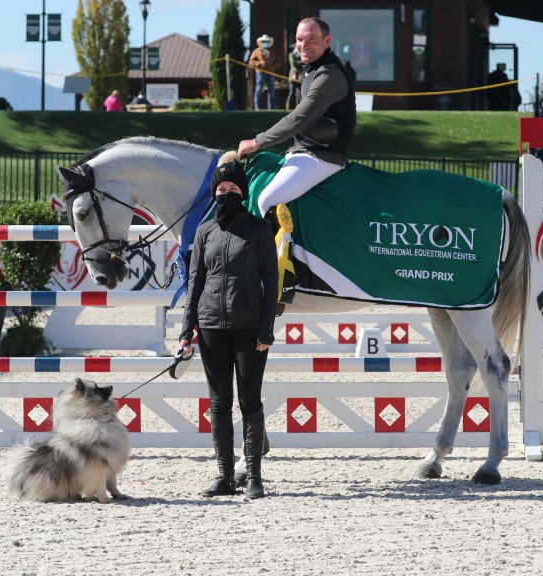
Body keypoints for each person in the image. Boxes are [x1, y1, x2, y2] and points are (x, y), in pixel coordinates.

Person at [178, 155, 278, 500]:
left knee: (250, 401)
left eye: (233, 188)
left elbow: (271, 282)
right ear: (214, 193)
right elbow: (195, 283)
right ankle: (223, 475)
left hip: (249, 328)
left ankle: (253, 476)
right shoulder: (204, 232)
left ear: (243, 192)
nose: (226, 193)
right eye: (221, 189)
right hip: (210, 327)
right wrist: (185, 330)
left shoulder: (259, 229)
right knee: (219, 404)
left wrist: (267, 329)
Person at [237, 17, 356, 302]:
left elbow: (299, 118)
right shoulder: (309, 70)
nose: (304, 45)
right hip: (303, 151)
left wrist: (257, 141)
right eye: (300, 40)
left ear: (327, 41)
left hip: (323, 157)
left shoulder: (329, 75)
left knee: (267, 199)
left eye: (311, 40)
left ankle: (283, 276)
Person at [248, 34, 283, 110]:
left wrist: (274, 66)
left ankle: (271, 108)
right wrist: (259, 63)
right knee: (258, 90)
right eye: (264, 41)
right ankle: (257, 107)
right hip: (260, 73)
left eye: (267, 41)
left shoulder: (273, 51)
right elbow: (251, 61)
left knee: (271, 91)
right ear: (261, 42)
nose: (265, 42)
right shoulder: (256, 51)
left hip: (271, 73)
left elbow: (279, 61)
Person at [286, 44, 301, 110]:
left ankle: (298, 107)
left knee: (299, 93)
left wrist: (300, 63)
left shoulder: (302, 55)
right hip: (293, 76)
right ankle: (288, 107)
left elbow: (306, 63)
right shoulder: (291, 54)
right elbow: (293, 64)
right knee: (291, 92)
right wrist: (301, 62)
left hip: (300, 77)